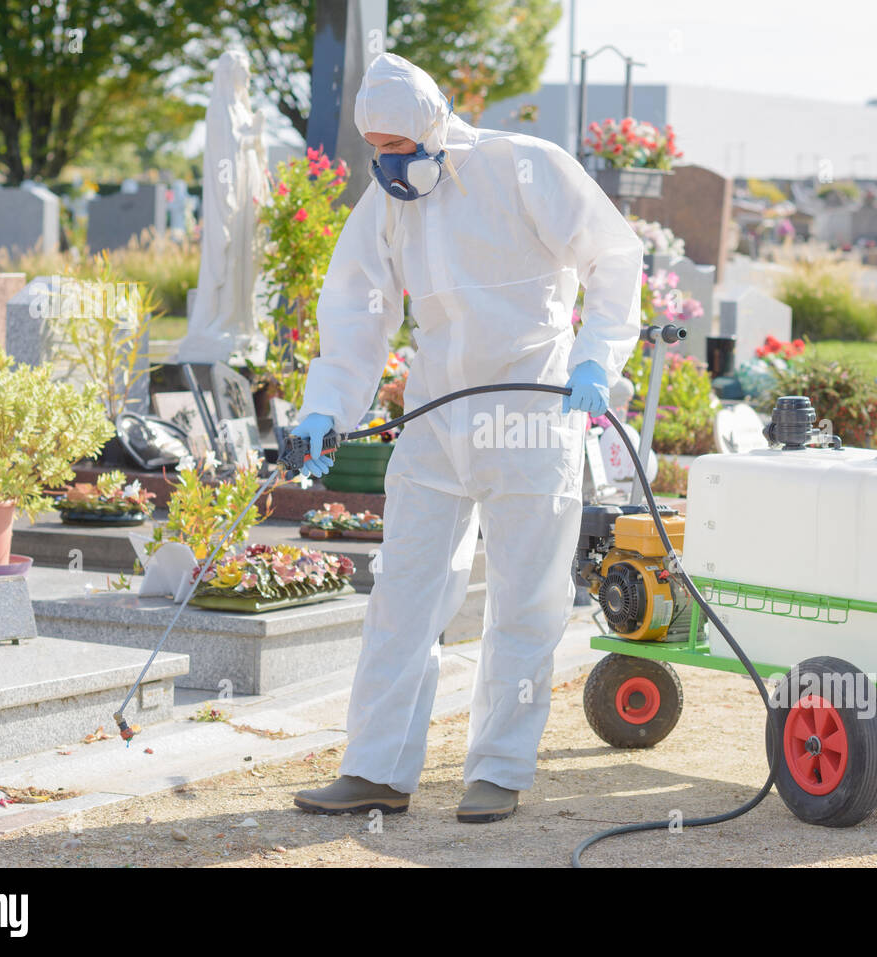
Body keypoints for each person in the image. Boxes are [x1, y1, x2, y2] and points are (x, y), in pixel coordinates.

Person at [291, 53, 642, 823]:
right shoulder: (388, 201)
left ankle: (500, 768)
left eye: (399, 145)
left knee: (525, 598)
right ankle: (377, 767)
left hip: (530, 412)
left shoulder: (524, 168)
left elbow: (613, 258)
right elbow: (357, 306)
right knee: (403, 597)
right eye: (375, 148)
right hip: (436, 421)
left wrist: (594, 361)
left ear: (433, 126)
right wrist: (327, 407)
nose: (389, 163)